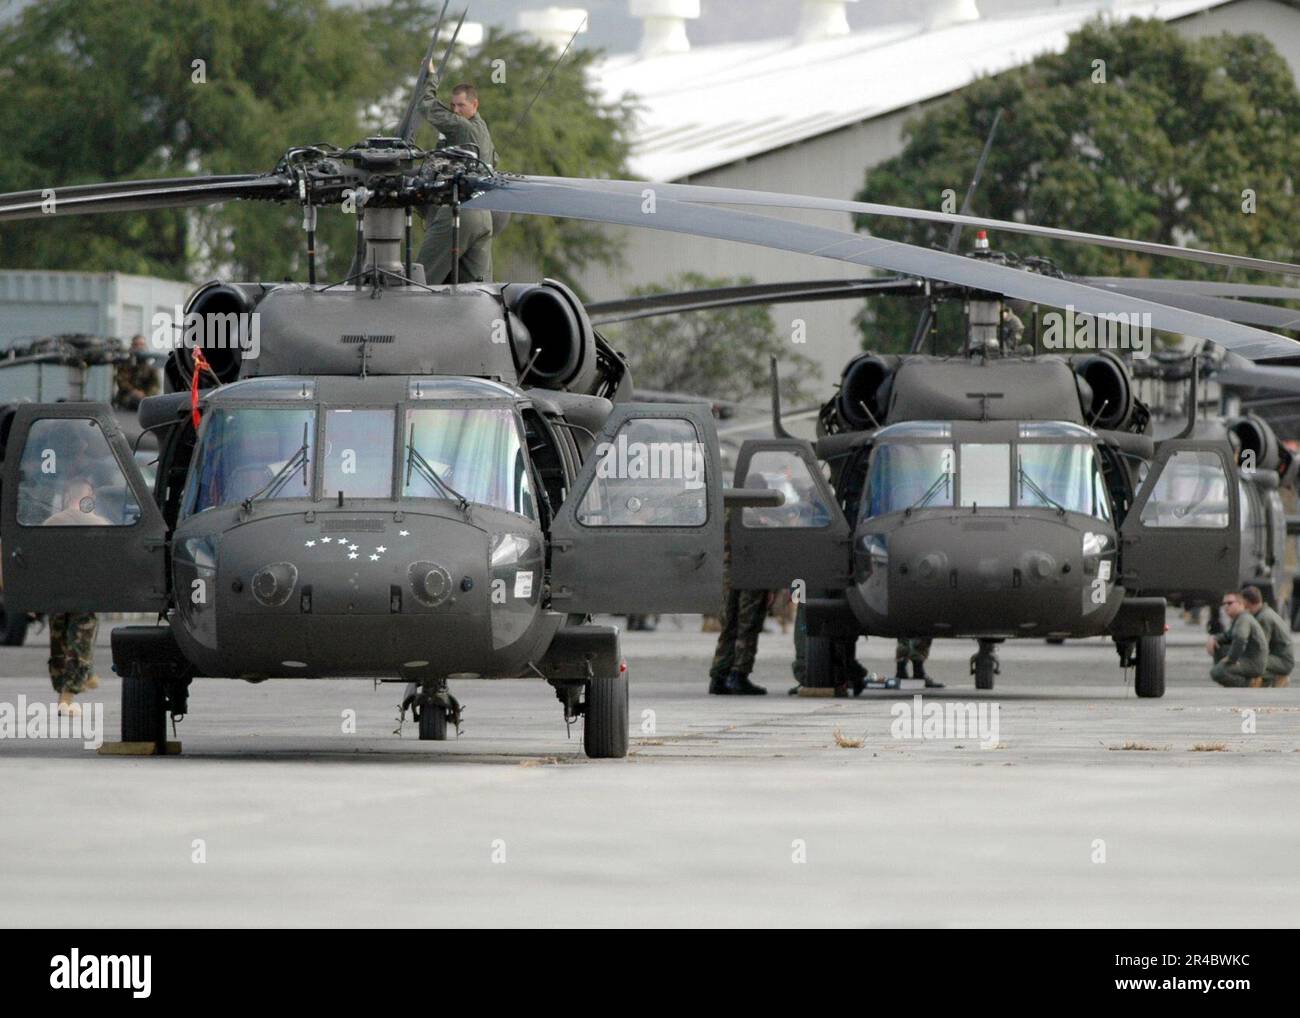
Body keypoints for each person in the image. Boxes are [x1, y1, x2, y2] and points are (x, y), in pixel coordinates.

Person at [419, 76, 496, 285]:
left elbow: (427, 105)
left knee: (418, 283)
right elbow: (494, 164)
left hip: (458, 212)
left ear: (474, 104)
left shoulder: (463, 127)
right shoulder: (483, 131)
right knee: (476, 291)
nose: (455, 111)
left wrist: (431, 78)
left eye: (461, 105)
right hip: (484, 216)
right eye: (453, 105)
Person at [708, 505, 770, 695]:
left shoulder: (726, 511)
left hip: (727, 572)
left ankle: (719, 675)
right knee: (748, 624)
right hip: (751, 573)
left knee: (728, 625)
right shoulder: (756, 516)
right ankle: (738, 674)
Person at [1206, 590, 1268, 688]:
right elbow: (1228, 636)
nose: (1226, 606)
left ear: (1240, 604)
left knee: (1217, 672)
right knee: (1219, 647)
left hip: (1253, 662)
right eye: (1224, 604)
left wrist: (1231, 658)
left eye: (1230, 603)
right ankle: (1238, 683)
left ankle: (1251, 684)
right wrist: (1214, 638)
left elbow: (1241, 638)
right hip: (1247, 658)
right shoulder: (1238, 618)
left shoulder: (1244, 619)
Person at [1242, 585, 1293, 688]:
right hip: (1280, 658)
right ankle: (1276, 677)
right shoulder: (1265, 612)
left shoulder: (1263, 618)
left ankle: (1277, 677)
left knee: (1251, 665)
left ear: (1246, 602)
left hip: (1282, 661)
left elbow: (1261, 648)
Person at [114, 334, 160, 411]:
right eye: (136, 345)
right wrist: (134, 391)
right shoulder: (125, 364)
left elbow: (155, 385)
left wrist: (146, 395)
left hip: (145, 398)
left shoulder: (150, 367)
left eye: (141, 344)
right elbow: (122, 382)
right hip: (126, 398)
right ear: (132, 346)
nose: (139, 347)